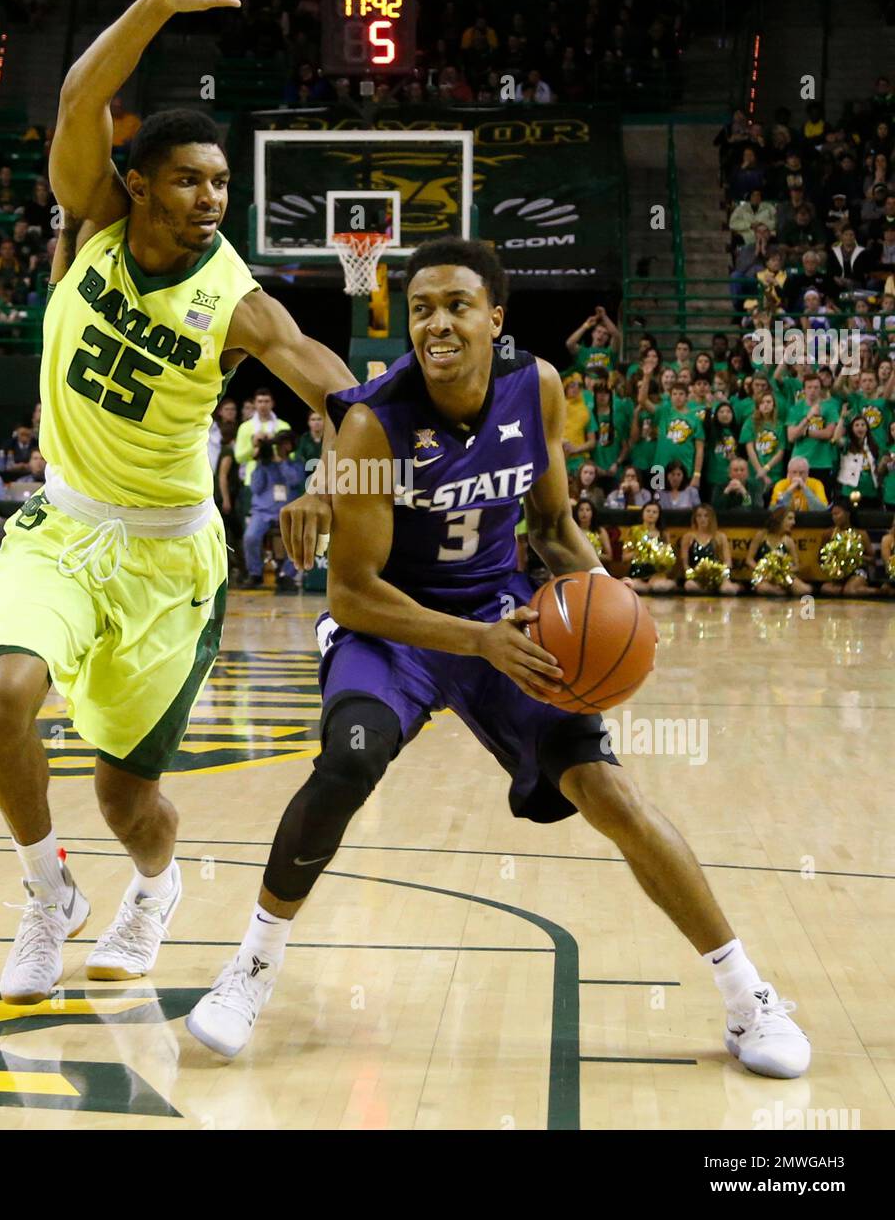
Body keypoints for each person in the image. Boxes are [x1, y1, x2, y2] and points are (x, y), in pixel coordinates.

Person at [186, 237, 809, 1078]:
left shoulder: (538, 386)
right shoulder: (372, 426)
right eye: (421, 310)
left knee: (609, 788)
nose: (436, 324)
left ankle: (747, 995)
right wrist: (479, 641)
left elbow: (551, 529)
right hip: (395, 629)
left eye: (456, 307)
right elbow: (353, 595)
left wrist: (604, 603)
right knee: (346, 760)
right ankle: (251, 968)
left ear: (496, 319)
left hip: (499, 615)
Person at [0, 0, 357, 1007]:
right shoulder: (86, 218)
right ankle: (49, 899)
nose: (209, 201)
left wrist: (341, 473)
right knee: (3, 694)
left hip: (166, 563)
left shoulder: (229, 295)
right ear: (137, 183)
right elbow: (80, 101)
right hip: (62, 524)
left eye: (221, 186)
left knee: (124, 794)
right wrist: (152, 4)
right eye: (189, 181)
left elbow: (327, 378)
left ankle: (153, 886)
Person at [240, 428, 306, 591]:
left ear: (290, 446)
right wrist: (259, 462)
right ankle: (255, 573)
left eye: (282, 445)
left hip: (288, 511)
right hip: (262, 511)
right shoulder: (264, 464)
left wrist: (282, 461)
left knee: (297, 537)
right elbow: (255, 487)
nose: (278, 448)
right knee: (250, 537)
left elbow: (294, 480)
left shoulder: (297, 463)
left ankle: (286, 575)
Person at [745, 507, 811, 596]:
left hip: (783, 577)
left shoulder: (788, 541)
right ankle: (779, 592)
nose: (793, 522)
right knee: (763, 588)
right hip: (764, 576)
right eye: (790, 519)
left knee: (805, 590)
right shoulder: (761, 535)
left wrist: (781, 572)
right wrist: (764, 571)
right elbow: (749, 560)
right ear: (779, 519)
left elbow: (796, 566)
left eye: (794, 519)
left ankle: (781, 590)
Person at [817, 500, 874, 598]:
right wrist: (833, 560)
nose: (834, 517)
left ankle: (879, 591)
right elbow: (820, 558)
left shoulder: (861, 533)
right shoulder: (828, 533)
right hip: (838, 575)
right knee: (826, 588)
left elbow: (873, 560)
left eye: (837, 514)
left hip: (858, 572)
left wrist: (854, 556)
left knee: (850, 591)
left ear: (847, 514)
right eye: (833, 515)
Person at [679, 504, 739, 595]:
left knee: (728, 590)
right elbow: (685, 564)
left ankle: (736, 586)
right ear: (695, 518)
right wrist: (693, 574)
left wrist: (719, 573)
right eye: (699, 516)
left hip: (717, 576)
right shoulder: (688, 537)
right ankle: (708, 590)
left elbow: (728, 562)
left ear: (711, 518)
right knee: (689, 585)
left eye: (706, 516)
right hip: (697, 577)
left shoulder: (720, 536)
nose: (702, 519)